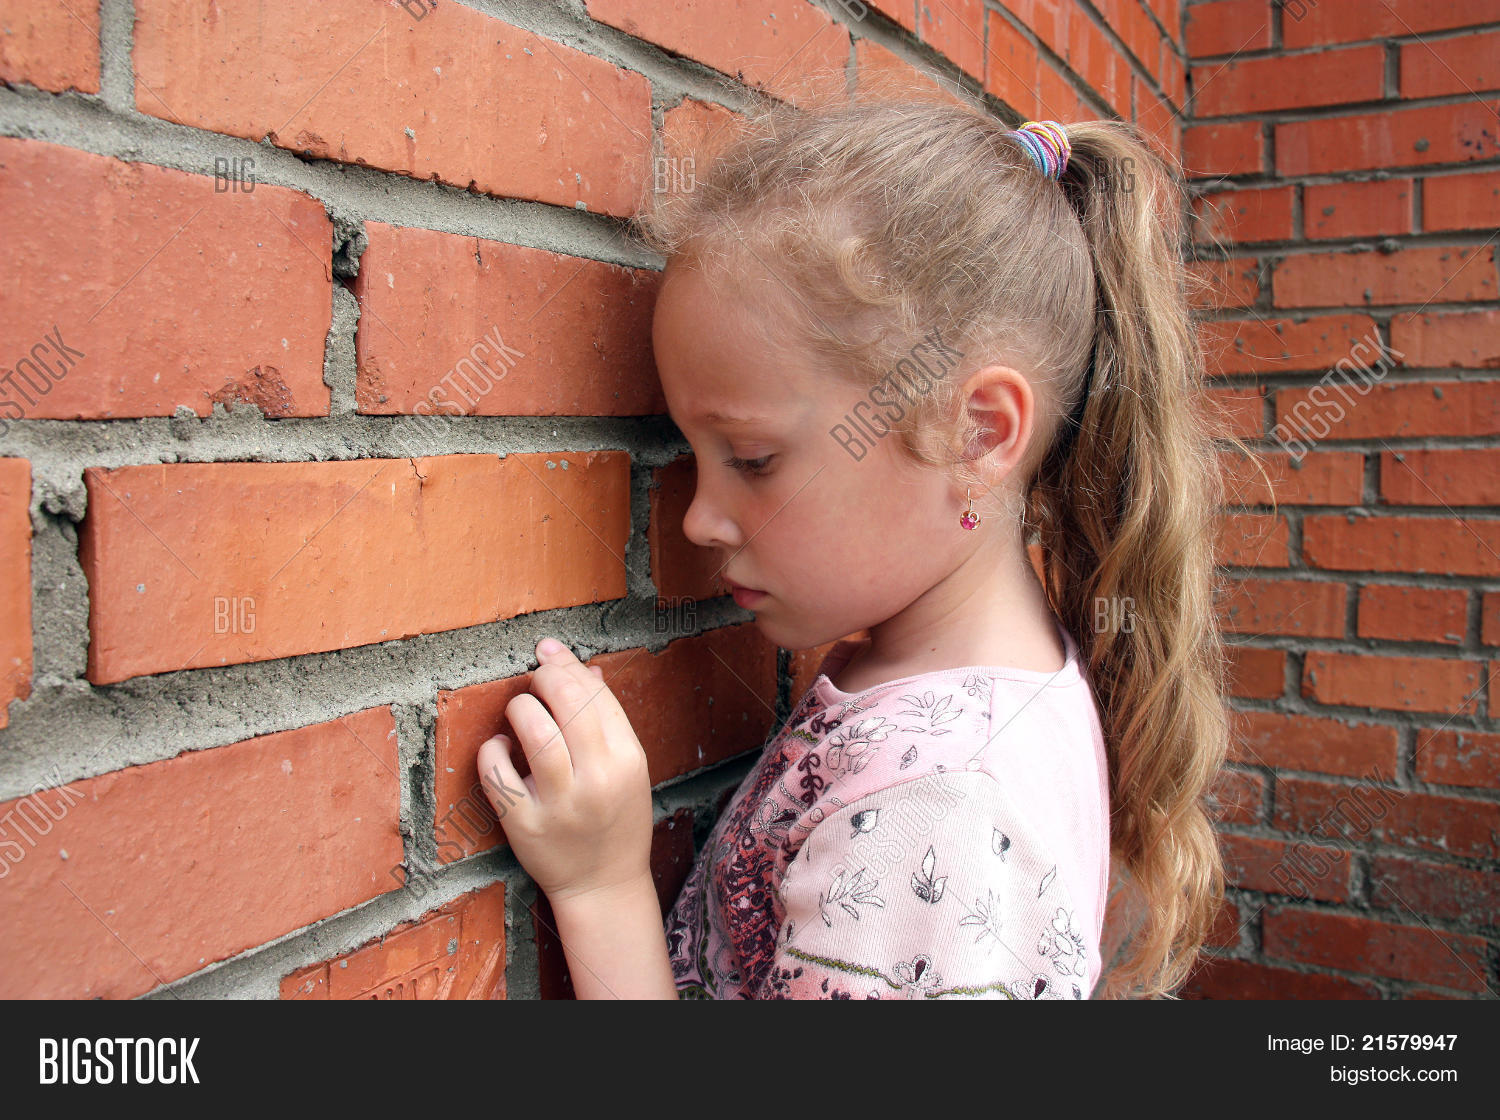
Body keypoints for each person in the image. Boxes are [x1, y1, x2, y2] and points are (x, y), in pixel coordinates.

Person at [478, 82, 1235, 999]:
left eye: (751, 458)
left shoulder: (939, 810)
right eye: (690, 456)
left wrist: (601, 888)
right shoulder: (957, 681)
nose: (698, 521)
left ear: (977, 434)